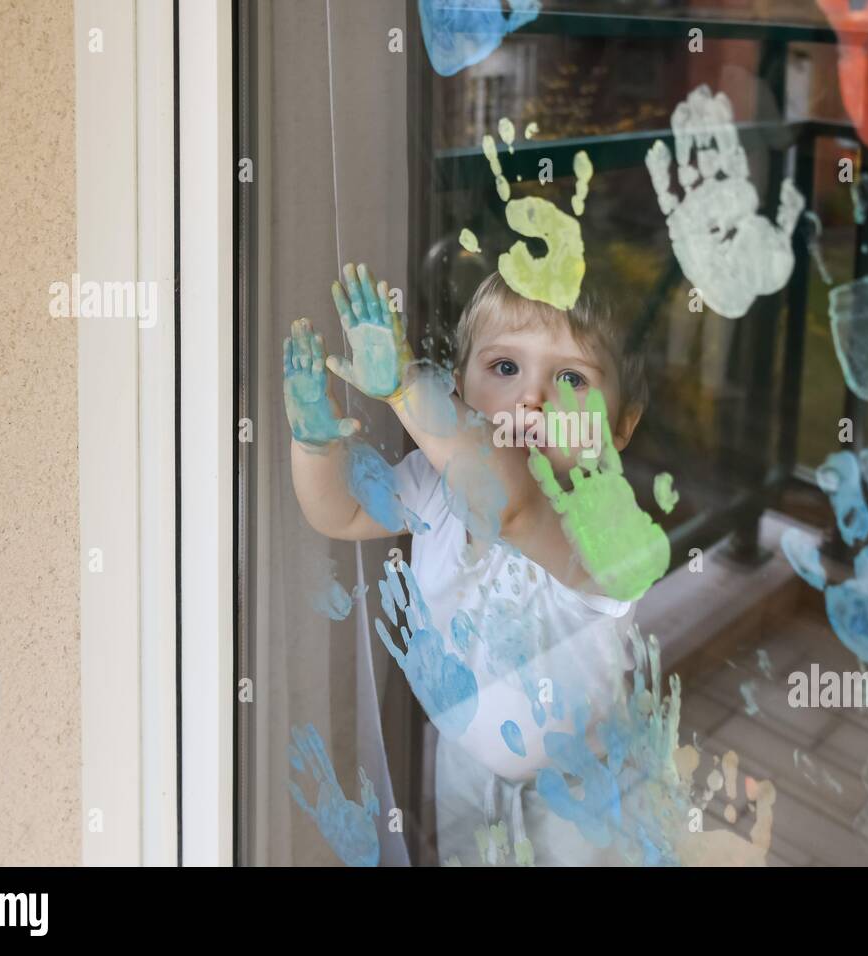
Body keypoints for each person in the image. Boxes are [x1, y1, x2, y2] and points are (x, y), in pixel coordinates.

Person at [284, 263, 663, 865]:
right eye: (505, 368)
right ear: (458, 386)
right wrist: (314, 445)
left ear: (621, 426)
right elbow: (344, 514)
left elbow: (509, 504)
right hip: (464, 759)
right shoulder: (434, 486)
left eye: (571, 378)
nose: (530, 398)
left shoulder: (604, 531)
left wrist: (408, 387)